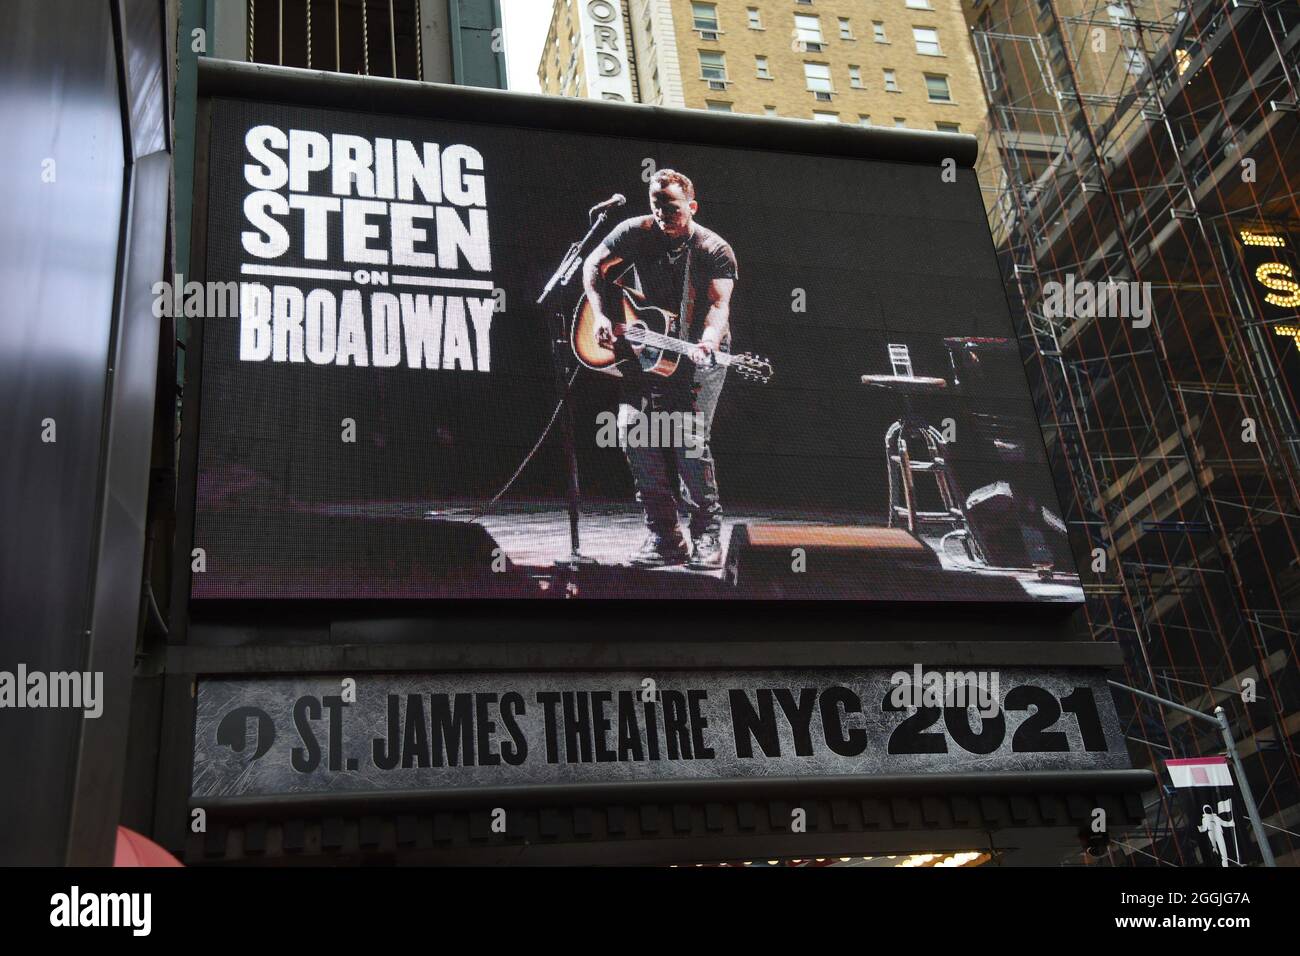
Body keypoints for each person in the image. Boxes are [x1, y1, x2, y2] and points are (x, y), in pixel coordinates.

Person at [581, 169, 738, 569]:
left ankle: (705, 536)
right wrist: (601, 316)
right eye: (656, 206)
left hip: (697, 349)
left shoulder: (712, 249)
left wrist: (708, 342)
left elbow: (719, 307)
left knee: (687, 442)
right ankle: (664, 536)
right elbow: (593, 267)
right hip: (647, 344)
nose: (663, 214)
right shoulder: (635, 232)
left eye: (671, 207)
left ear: (692, 206)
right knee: (634, 432)